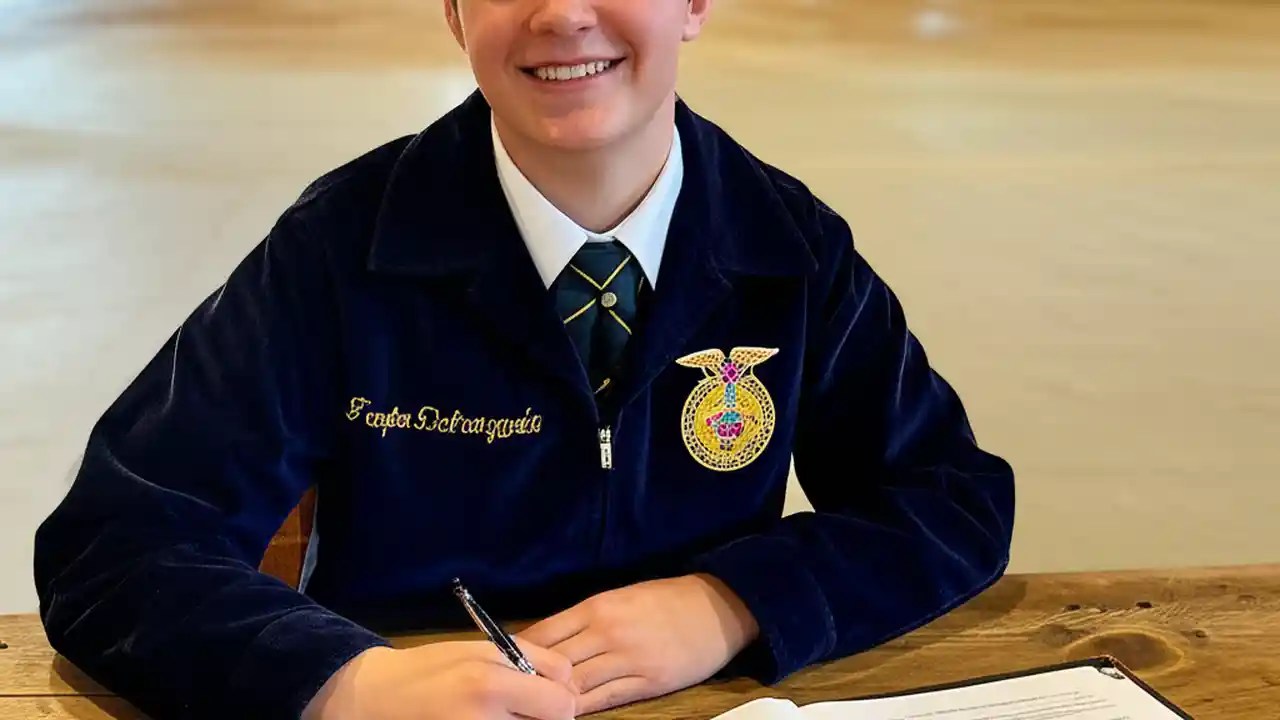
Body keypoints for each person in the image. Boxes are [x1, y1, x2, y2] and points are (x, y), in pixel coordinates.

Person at [32, 0, 1016, 718]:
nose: (561, 13)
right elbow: (114, 546)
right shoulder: (340, 252)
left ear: (693, 5)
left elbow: (948, 497)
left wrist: (731, 603)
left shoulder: (783, 246)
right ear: (455, 14)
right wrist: (341, 678)